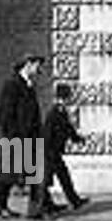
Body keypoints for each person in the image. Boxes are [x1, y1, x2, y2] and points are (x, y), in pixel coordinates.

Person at [0, 55, 44, 220]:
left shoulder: (28, 85)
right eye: (37, 65)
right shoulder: (12, 85)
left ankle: (0, 206)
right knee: (10, 175)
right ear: (28, 64)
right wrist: (14, 136)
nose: (40, 69)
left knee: (11, 175)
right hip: (17, 139)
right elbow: (3, 114)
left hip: (28, 139)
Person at [39, 83, 89, 213]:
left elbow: (68, 128)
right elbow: (48, 134)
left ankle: (73, 201)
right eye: (68, 96)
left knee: (62, 176)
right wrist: (48, 151)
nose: (70, 99)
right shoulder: (55, 113)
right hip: (49, 151)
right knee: (46, 180)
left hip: (53, 151)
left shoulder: (61, 111)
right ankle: (44, 205)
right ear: (64, 97)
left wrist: (77, 139)